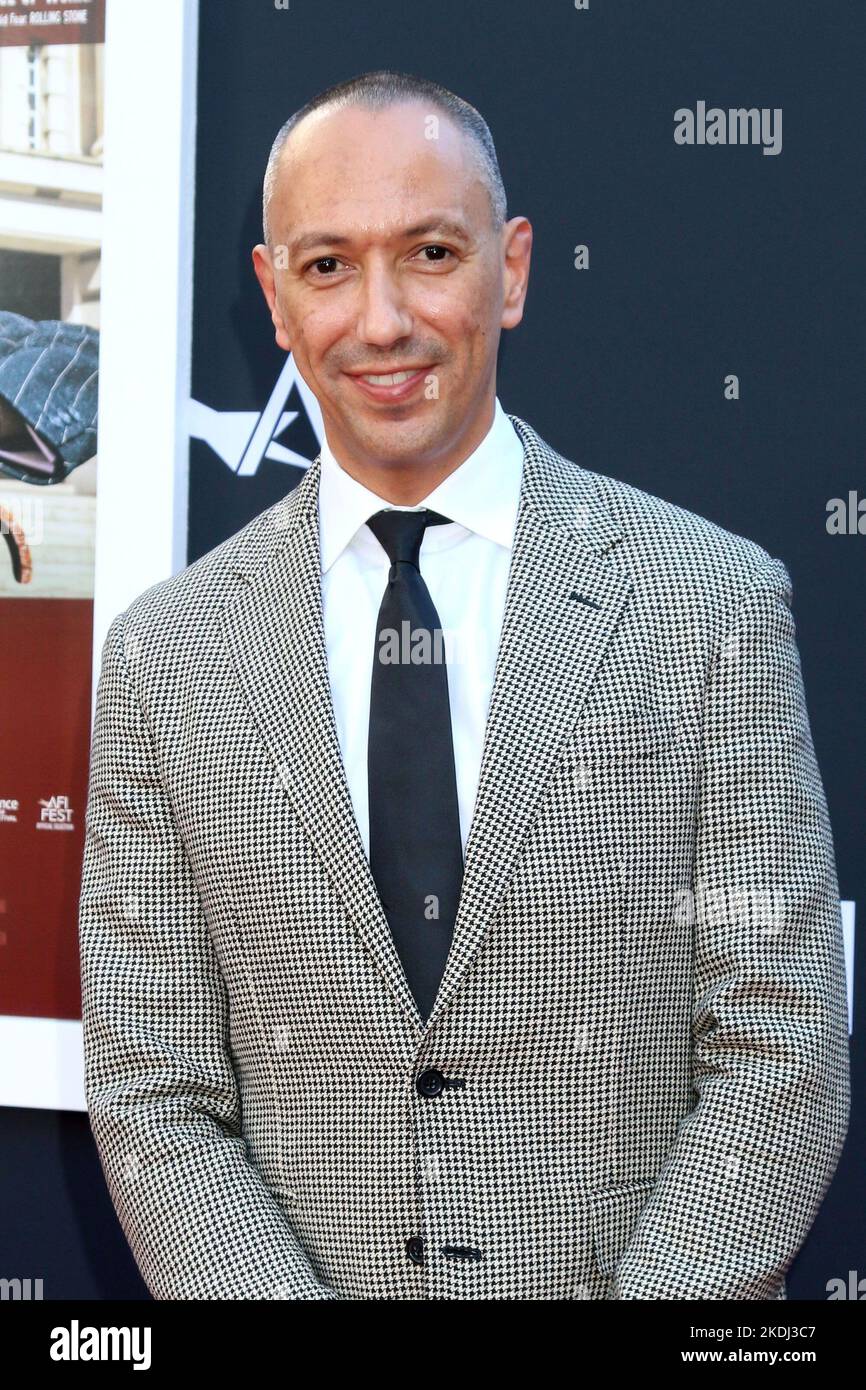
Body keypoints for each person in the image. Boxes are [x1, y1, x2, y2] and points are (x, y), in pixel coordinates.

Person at [78, 69, 850, 1301]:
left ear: (513, 268)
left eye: (428, 252)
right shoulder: (167, 654)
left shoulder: (709, 605)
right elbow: (152, 1087)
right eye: (328, 266)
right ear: (275, 296)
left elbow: (779, 1042)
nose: (380, 321)